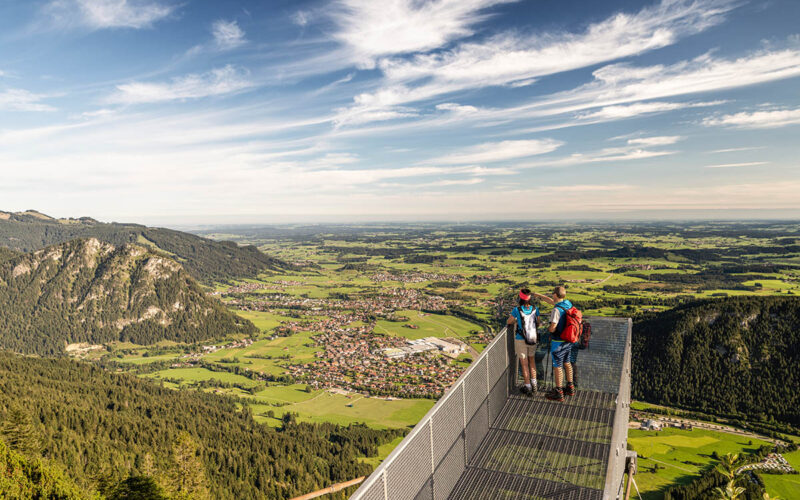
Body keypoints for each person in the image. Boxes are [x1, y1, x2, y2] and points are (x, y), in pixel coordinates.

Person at [533, 286, 575, 402]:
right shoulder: (567, 303)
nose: (552, 295)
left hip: (558, 342)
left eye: (553, 294)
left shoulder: (556, 310)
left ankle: (559, 392)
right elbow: (552, 302)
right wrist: (539, 296)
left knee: (557, 366)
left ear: (555, 295)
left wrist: (548, 329)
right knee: (567, 362)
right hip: (568, 340)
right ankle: (570, 387)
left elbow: (553, 327)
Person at [506, 288, 540, 395]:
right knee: (532, 361)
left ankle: (528, 386)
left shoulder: (517, 310)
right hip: (533, 338)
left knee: (524, 364)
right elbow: (538, 322)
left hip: (521, 339)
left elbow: (509, 321)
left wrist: (517, 321)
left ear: (520, 298)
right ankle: (534, 384)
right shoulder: (535, 309)